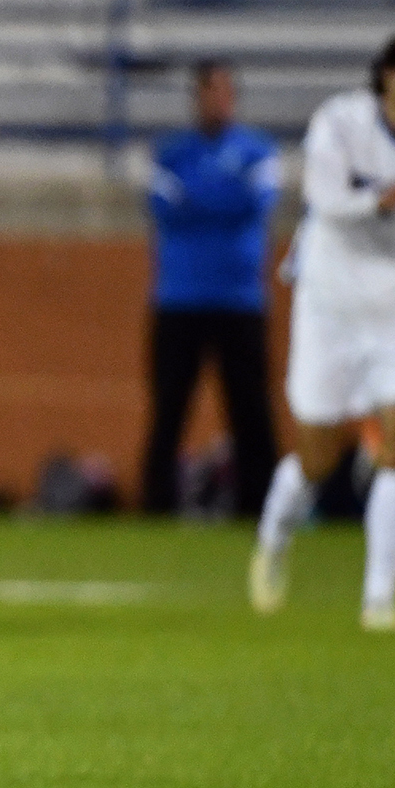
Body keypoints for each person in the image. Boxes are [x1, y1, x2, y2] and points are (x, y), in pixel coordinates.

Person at [250, 32, 395, 633]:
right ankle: (274, 535)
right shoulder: (340, 124)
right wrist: (379, 199)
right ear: (388, 74)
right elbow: (323, 198)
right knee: (319, 453)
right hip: (330, 299)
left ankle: (378, 599)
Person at [139, 60, 281, 516]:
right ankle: (156, 505)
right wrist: (222, 196)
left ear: (233, 98)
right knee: (168, 408)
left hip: (240, 301)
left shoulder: (258, 151)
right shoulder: (170, 153)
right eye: (207, 92)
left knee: (251, 411)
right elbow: (164, 208)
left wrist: (197, 198)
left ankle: (259, 507)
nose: (215, 101)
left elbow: (253, 205)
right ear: (195, 98)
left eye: (222, 92)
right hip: (178, 299)